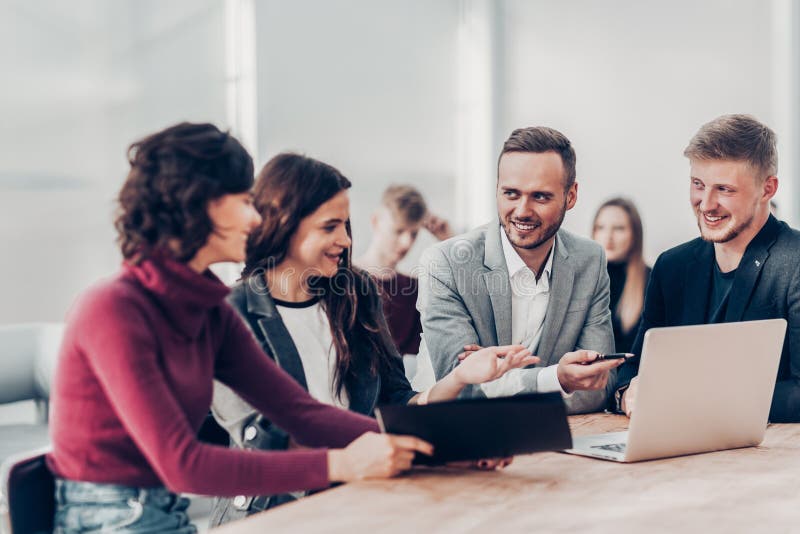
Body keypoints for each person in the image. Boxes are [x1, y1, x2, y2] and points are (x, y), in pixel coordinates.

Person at [46, 123, 440, 533]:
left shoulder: (208, 310)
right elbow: (184, 464)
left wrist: (438, 447)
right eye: (242, 201)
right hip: (104, 516)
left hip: (163, 511)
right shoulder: (113, 309)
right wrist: (340, 464)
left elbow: (300, 413)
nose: (256, 218)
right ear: (198, 205)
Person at [209, 153, 536, 525]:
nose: (345, 240)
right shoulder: (232, 314)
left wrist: (458, 382)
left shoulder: (357, 294)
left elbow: (395, 403)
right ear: (285, 223)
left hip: (361, 497)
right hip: (272, 512)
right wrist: (435, 450)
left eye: (346, 225)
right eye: (329, 226)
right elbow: (268, 442)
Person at [416, 126, 623, 413]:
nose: (522, 211)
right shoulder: (445, 263)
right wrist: (557, 379)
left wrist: (498, 385)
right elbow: (460, 389)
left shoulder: (589, 259)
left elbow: (599, 384)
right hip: (452, 436)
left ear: (571, 196)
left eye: (540, 197)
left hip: (553, 441)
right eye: (511, 194)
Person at [615, 114, 800, 423]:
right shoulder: (671, 266)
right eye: (698, 185)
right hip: (673, 450)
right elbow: (636, 367)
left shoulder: (793, 263)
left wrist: (698, 400)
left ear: (768, 189)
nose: (706, 204)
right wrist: (627, 393)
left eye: (725, 190)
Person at [355, 184, 453, 356]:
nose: (406, 243)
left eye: (413, 234)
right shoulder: (343, 279)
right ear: (376, 221)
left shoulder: (413, 290)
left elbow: (454, 326)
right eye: (398, 231)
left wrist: (451, 244)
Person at [591, 198, 651, 353]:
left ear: (635, 234)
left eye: (618, 228)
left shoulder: (652, 281)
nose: (608, 237)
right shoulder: (581, 279)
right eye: (600, 227)